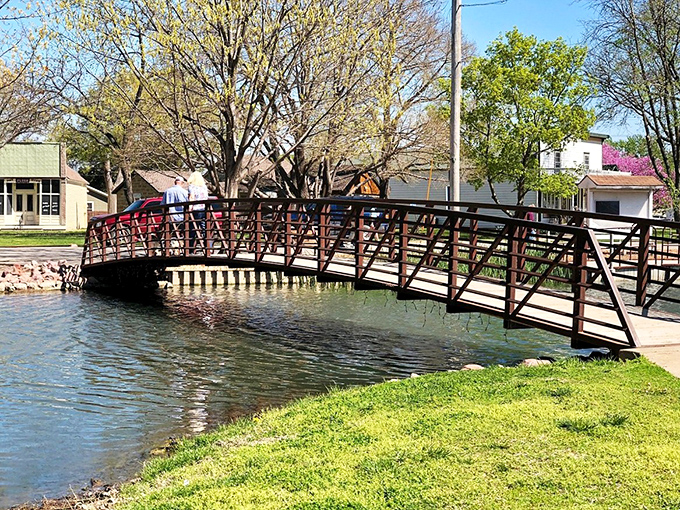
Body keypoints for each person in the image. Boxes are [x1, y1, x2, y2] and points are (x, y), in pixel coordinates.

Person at [160, 176, 188, 251]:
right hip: (182, 218)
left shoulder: (167, 191)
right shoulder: (185, 192)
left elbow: (163, 205)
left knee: (168, 234)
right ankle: (184, 249)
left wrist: (164, 216)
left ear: (175, 182)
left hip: (170, 218)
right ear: (182, 183)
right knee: (184, 233)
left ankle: (167, 249)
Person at [187, 171, 209, 253]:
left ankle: (191, 249)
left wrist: (189, 209)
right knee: (205, 228)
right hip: (204, 209)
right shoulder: (204, 187)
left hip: (196, 210)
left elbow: (191, 198)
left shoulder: (192, 186)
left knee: (192, 229)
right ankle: (208, 248)